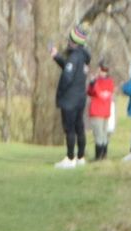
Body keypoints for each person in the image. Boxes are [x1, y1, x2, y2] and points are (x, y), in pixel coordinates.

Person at [52, 26, 92, 168]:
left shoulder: (74, 57)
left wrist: (60, 94)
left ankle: (70, 159)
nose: (68, 41)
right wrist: (57, 57)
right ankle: (80, 157)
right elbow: (71, 69)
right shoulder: (83, 57)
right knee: (79, 127)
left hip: (70, 100)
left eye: (70, 39)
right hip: (80, 98)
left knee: (69, 129)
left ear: (73, 41)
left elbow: (67, 77)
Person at [88, 60, 117, 162]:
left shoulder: (98, 81)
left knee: (98, 135)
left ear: (100, 69)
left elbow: (94, 93)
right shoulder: (110, 82)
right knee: (104, 134)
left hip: (97, 111)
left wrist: (93, 82)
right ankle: (104, 155)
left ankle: (98, 157)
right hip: (106, 112)